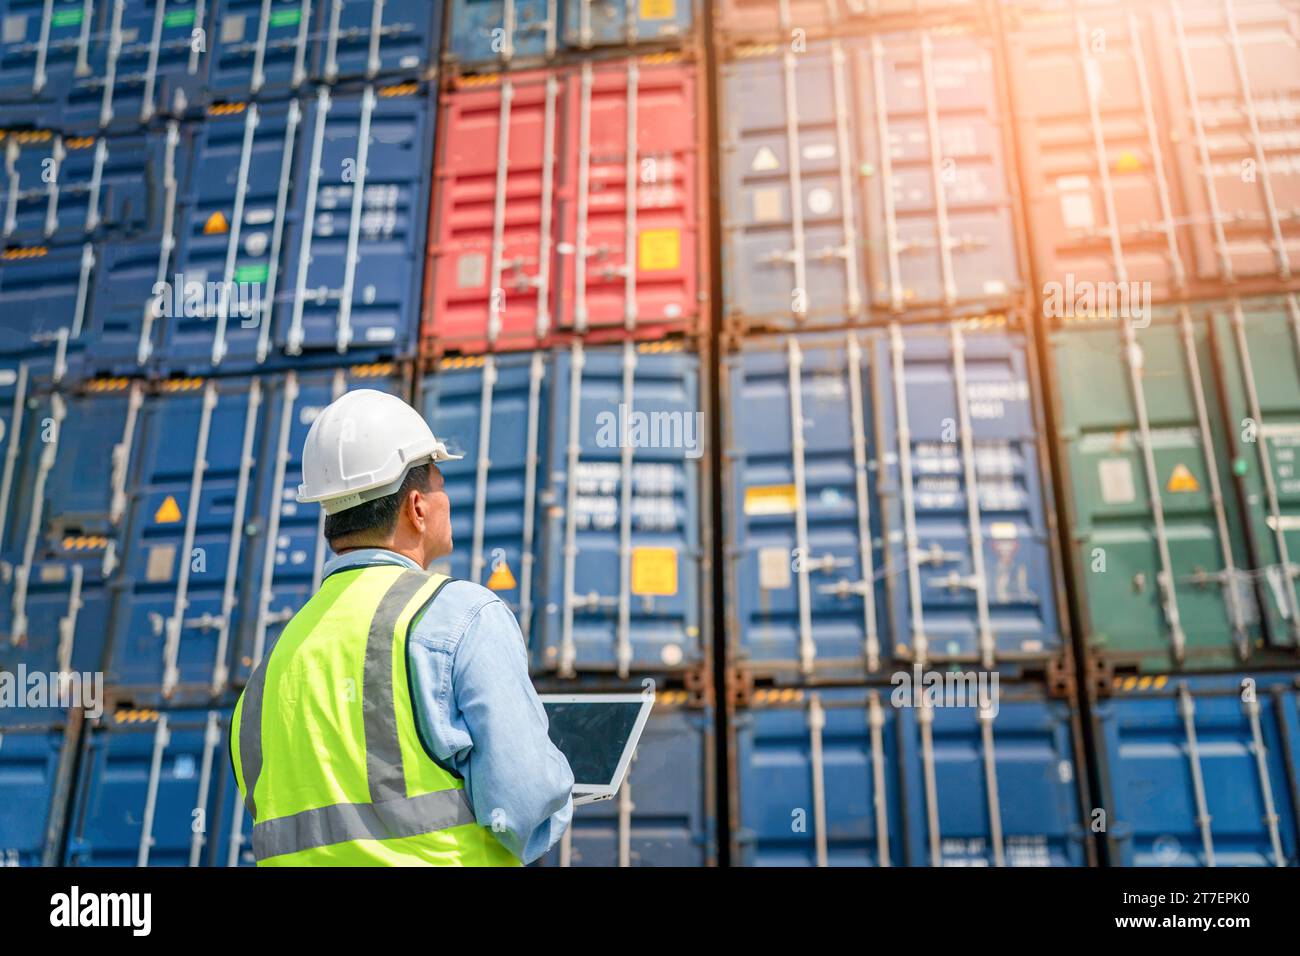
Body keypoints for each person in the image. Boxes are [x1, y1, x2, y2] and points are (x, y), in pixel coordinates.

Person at [230, 388, 573, 865]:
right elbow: (525, 800)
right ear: (417, 507)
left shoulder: (273, 663)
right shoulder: (460, 615)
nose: (445, 499)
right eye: (440, 483)